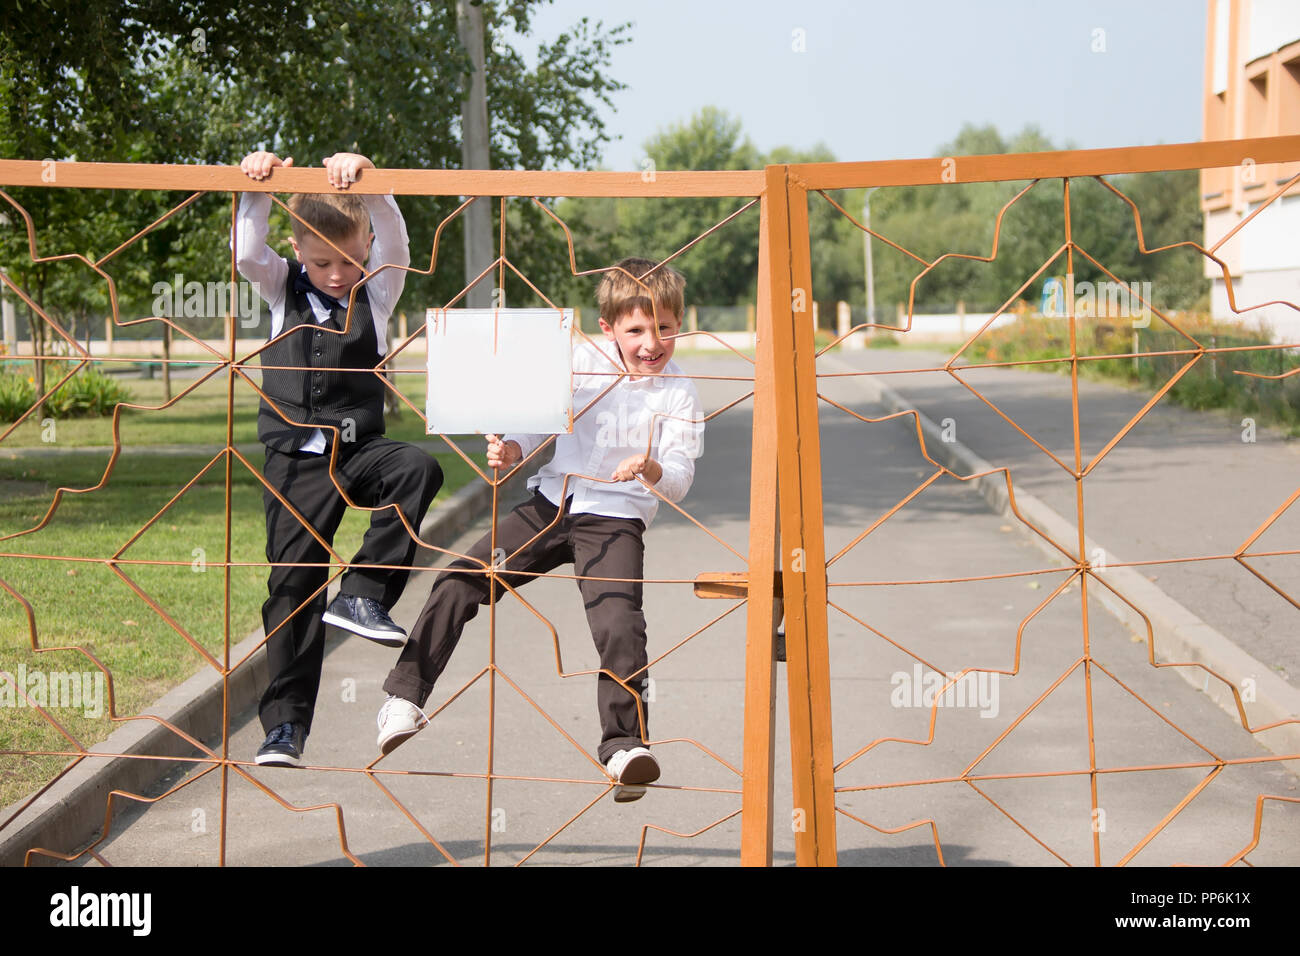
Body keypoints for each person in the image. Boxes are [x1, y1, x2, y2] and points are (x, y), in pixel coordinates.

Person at [375, 257, 703, 802]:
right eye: (637, 330)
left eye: (665, 327)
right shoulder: (579, 361)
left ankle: (625, 747)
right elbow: (537, 415)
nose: (652, 342)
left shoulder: (680, 391)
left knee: (620, 624)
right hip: (551, 505)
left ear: (679, 325)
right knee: (460, 579)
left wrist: (650, 469)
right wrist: (515, 448)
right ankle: (405, 697)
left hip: (615, 520)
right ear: (609, 328)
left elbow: (681, 478)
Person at [236, 150, 442, 767]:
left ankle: (363, 593)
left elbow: (399, 245)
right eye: (323, 262)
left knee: (419, 467)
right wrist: (256, 188)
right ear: (298, 252)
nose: (337, 273)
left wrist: (372, 183)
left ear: (366, 247)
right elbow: (248, 251)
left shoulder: (376, 293)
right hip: (296, 463)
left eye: (351, 260)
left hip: (358, 450)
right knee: (292, 587)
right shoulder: (279, 289)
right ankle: (286, 728)